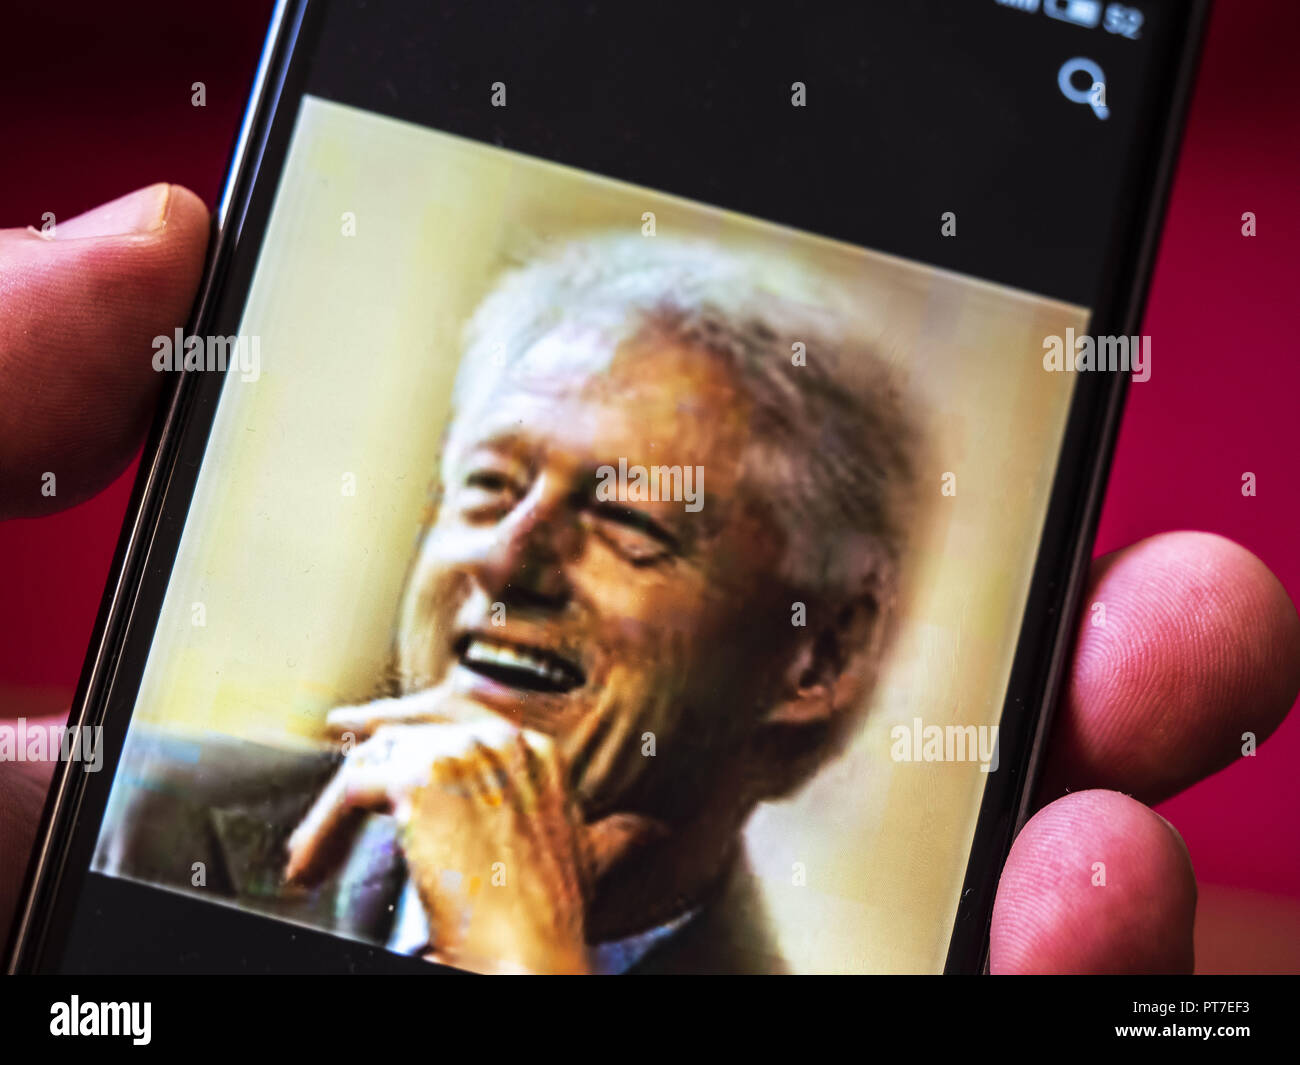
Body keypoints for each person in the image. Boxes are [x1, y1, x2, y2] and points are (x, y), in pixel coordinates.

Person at [2, 185, 1297, 973]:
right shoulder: (129, 818)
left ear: (819, 653)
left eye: (629, 519)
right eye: (489, 486)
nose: (508, 558)